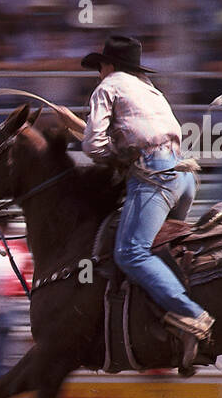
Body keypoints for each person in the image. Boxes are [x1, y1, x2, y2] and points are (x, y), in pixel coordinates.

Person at [79, 35, 214, 371]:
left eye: (100, 66)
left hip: (155, 176)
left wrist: (113, 156)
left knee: (130, 253)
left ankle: (190, 314)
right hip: (183, 177)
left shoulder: (108, 86)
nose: (99, 72)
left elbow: (92, 147)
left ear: (109, 66)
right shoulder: (150, 89)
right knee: (164, 249)